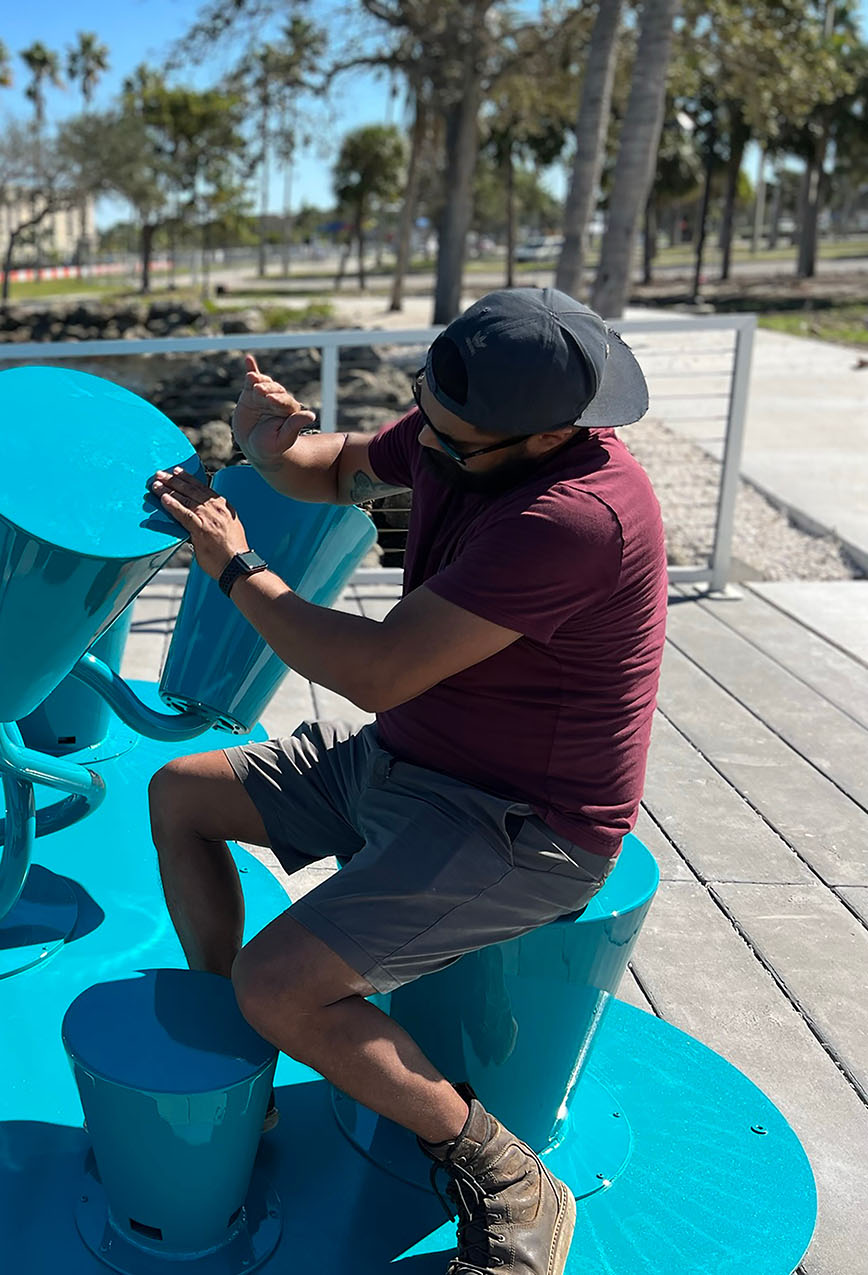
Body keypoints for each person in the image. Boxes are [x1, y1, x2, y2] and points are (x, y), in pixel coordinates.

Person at [146, 287, 667, 1275]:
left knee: (280, 983)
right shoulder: (458, 428)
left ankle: (507, 1178)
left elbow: (373, 670)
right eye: (424, 415)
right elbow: (336, 466)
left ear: (548, 431)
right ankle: (238, 1073)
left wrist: (231, 563)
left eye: (449, 439)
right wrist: (264, 446)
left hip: (523, 823)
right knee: (181, 794)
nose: (424, 444)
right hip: (409, 757)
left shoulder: (575, 517)